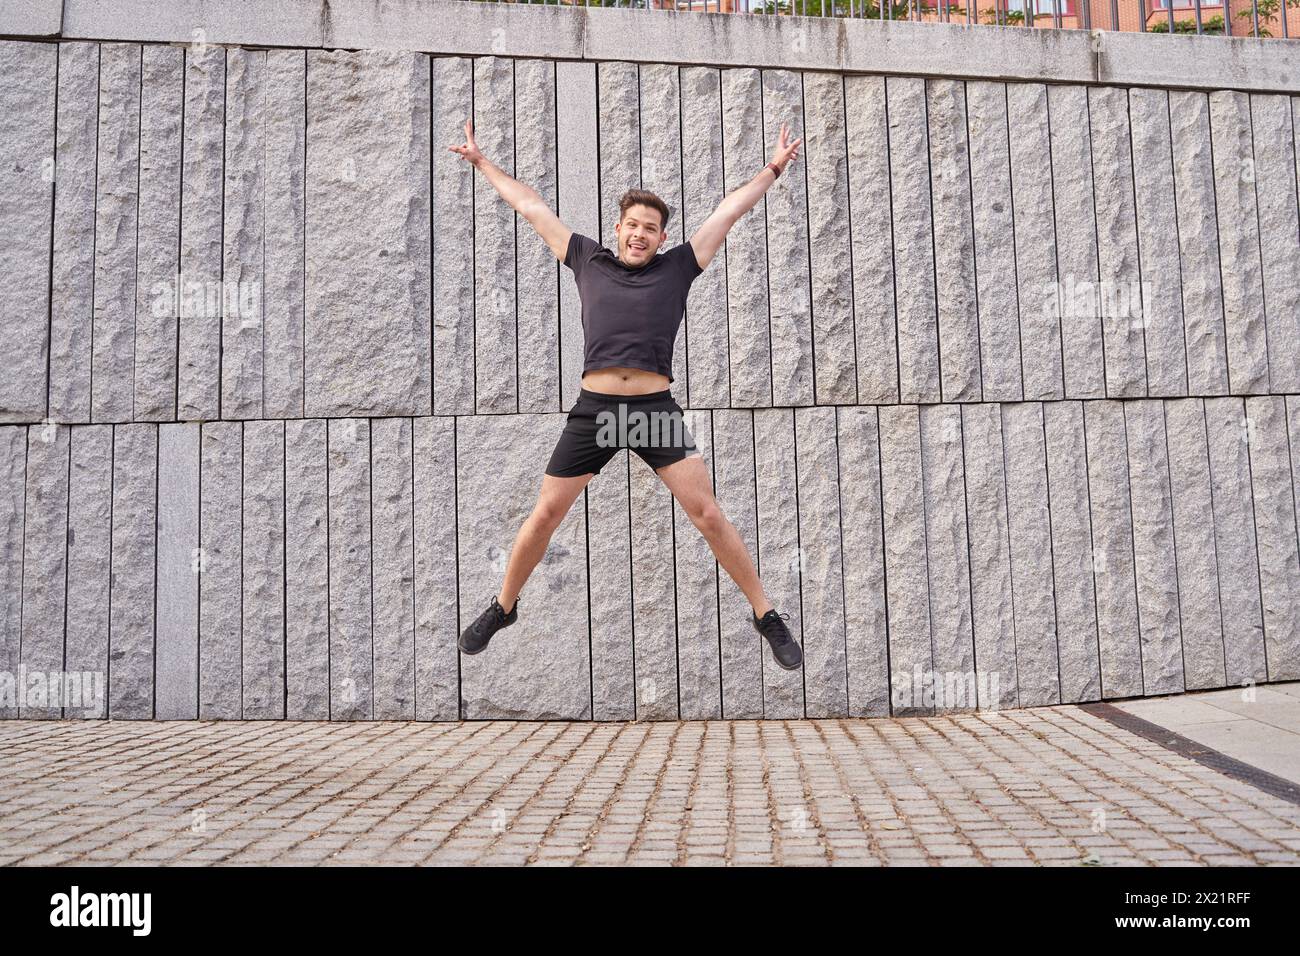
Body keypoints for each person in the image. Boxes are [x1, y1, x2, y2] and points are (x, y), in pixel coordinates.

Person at [446, 117, 804, 672]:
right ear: (618, 228)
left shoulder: (680, 266)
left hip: (653, 410)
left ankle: (765, 615)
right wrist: (482, 161)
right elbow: (531, 207)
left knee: (707, 514)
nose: (640, 234)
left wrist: (775, 167)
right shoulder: (587, 259)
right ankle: (503, 606)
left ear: (662, 237)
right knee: (543, 516)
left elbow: (729, 210)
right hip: (596, 412)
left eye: (651, 228)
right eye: (632, 224)